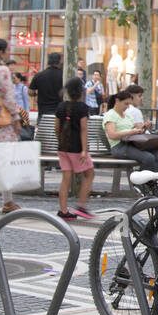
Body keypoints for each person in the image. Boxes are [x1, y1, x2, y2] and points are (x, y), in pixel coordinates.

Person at [102, 87, 158, 182]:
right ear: (117, 101)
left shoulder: (127, 116)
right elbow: (112, 135)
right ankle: (141, 183)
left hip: (131, 144)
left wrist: (144, 127)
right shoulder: (110, 115)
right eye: (126, 104)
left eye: (129, 104)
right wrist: (131, 132)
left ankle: (151, 182)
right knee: (148, 158)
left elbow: (137, 131)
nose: (128, 107)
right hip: (118, 146)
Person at [55, 76, 96, 221]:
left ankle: (63, 210)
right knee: (89, 174)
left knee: (66, 178)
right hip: (77, 149)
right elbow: (84, 130)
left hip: (63, 148)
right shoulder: (83, 108)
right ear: (81, 91)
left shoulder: (61, 107)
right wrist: (84, 150)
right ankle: (81, 206)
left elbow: (57, 128)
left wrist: (61, 141)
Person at [0, 38, 21, 214]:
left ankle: (8, 201)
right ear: (1, 52)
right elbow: (8, 96)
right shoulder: (1, 70)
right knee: (4, 161)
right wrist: (16, 117)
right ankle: (7, 201)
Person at [29, 51, 63, 118]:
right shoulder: (63, 76)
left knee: (43, 127)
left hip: (43, 111)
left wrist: (38, 94)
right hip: (59, 111)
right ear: (59, 62)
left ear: (48, 62)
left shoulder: (39, 75)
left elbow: (30, 92)